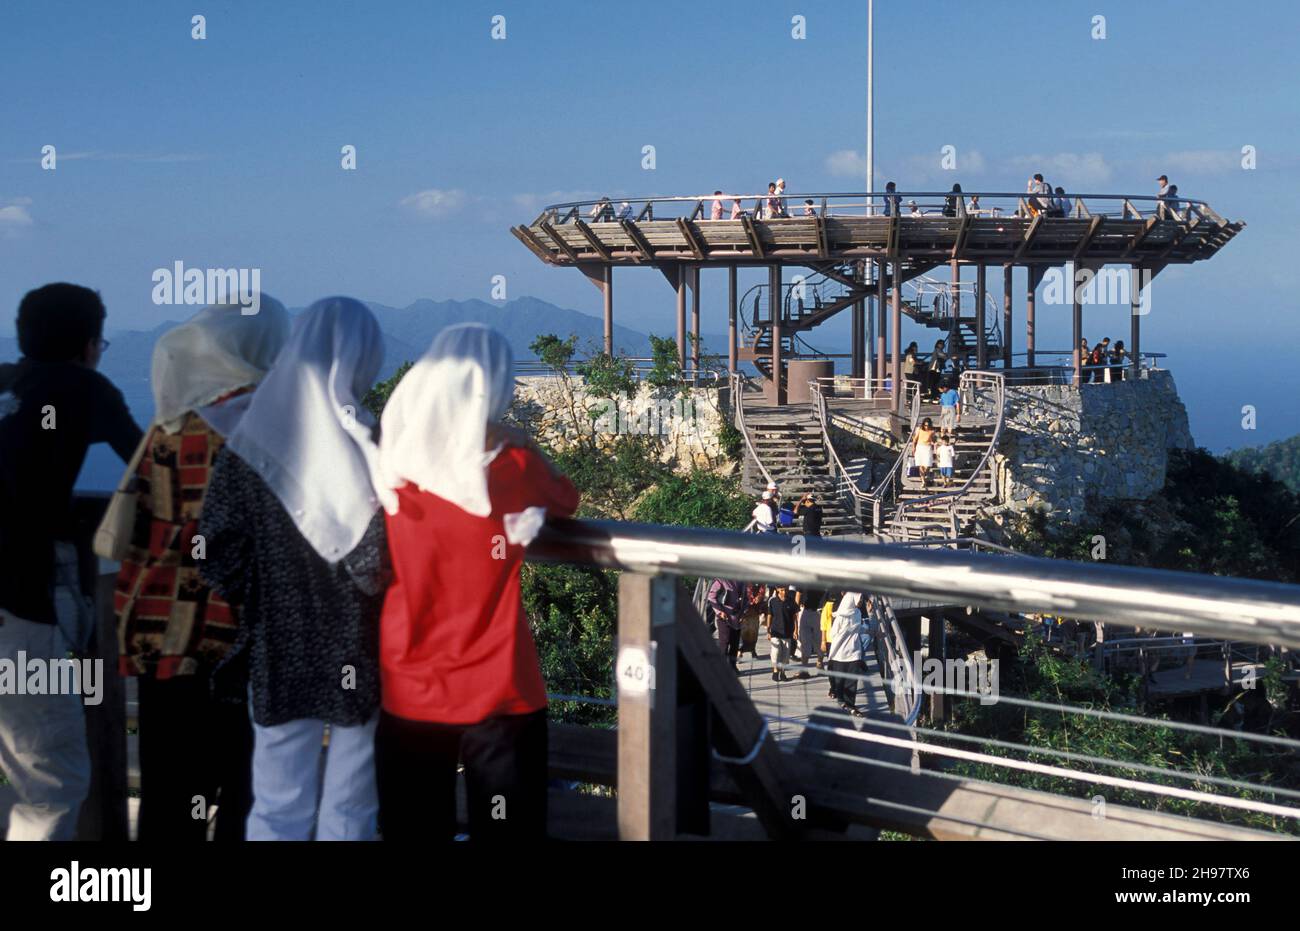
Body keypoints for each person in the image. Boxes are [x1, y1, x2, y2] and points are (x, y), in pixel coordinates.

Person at [372, 323, 578, 841]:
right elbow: (565, 500)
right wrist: (524, 440)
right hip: (500, 686)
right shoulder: (512, 466)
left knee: (411, 828)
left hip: (409, 682)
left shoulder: (390, 471)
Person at [198, 297, 389, 842]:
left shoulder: (245, 446)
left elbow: (214, 550)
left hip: (278, 644)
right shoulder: (371, 449)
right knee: (352, 807)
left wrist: (259, 595)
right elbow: (378, 562)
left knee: (276, 801)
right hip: (360, 649)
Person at [116, 298, 290, 842]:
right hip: (235, 640)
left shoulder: (170, 423)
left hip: (161, 636)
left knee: (168, 794)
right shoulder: (263, 425)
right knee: (249, 790)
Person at [0, 283, 143, 841]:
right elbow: (149, 464)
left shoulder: (7, 382)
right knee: (52, 777)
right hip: (23, 599)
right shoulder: (84, 387)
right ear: (89, 344)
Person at [826, 592, 867, 716]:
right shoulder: (840, 617)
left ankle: (850, 705)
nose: (860, 602)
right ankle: (841, 700)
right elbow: (833, 634)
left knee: (852, 679)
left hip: (854, 651)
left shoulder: (858, 613)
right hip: (839, 652)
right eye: (859, 599)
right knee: (840, 680)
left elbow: (859, 628)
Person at [707, 578, 745, 670]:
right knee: (724, 643)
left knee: (735, 644)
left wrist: (744, 612)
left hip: (737, 617)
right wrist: (719, 612)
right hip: (724, 617)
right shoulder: (720, 580)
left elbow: (746, 598)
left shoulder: (742, 581)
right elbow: (711, 596)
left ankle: (733, 666)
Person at [766, 584, 796, 682]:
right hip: (775, 631)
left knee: (785, 654)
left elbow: (795, 617)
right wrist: (768, 630)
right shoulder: (773, 601)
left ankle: (783, 672)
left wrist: (796, 630)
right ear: (777, 590)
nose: (784, 592)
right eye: (782, 590)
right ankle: (775, 670)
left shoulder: (791, 601)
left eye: (786, 590)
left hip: (787, 631)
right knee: (775, 652)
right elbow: (769, 616)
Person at [912, 417, 936, 487]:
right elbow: (915, 440)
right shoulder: (919, 430)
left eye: (928, 425)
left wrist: (934, 444)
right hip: (919, 447)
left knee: (927, 465)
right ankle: (923, 481)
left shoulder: (932, 431)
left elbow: (933, 440)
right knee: (920, 465)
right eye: (925, 425)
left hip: (927, 448)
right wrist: (913, 448)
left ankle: (924, 476)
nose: (926, 427)